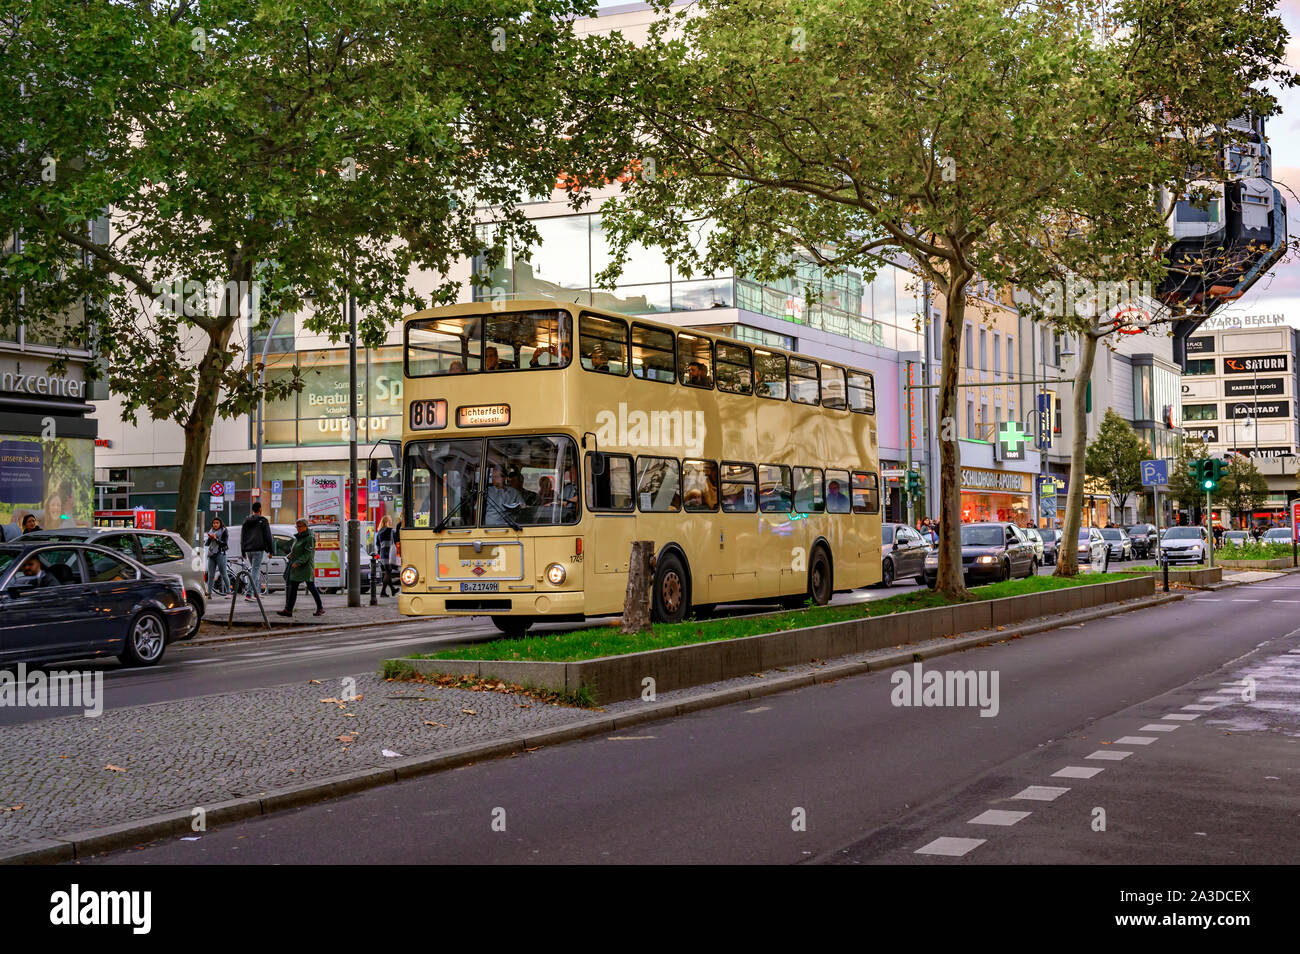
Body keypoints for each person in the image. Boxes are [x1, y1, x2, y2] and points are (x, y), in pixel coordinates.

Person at [279, 519, 324, 617]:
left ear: (305, 526)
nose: (298, 529)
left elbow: (308, 554)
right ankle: (288, 610)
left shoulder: (310, 538)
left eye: (299, 527)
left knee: (311, 587)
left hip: (305, 566)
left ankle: (320, 608)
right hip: (297, 566)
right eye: (297, 527)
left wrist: (298, 562)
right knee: (293, 587)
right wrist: (292, 554)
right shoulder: (298, 537)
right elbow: (297, 549)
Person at [240, 501, 273, 601]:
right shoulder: (263, 520)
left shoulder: (246, 520)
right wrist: (271, 550)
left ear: (252, 510)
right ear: (260, 509)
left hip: (248, 549)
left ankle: (256, 593)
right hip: (258, 549)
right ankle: (249, 594)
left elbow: (243, 536)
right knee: (255, 571)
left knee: (255, 570)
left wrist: (243, 551)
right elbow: (268, 536)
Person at [205, 516, 231, 597]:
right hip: (211, 554)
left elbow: (224, 543)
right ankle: (209, 593)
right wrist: (210, 538)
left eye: (217, 523)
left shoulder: (224, 531)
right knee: (211, 574)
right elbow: (207, 544)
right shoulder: (211, 531)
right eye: (214, 523)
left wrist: (215, 539)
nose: (215, 524)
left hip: (221, 554)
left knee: (223, 573)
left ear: (220, 524)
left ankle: (228, 592)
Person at [374, 515, 398, 598]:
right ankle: (383, 592)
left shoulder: (379, 532)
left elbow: (377, 545)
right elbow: (397, 537)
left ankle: (392, 589)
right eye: (390, 520)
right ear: (386, 521)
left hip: (382, 555)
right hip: (389, 554)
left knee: (388, 572)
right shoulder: (391, 531)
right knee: (388, 573)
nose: (391, 522)